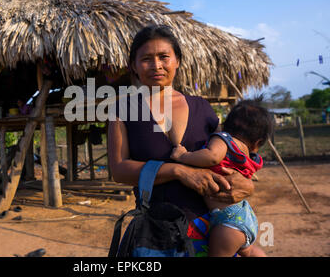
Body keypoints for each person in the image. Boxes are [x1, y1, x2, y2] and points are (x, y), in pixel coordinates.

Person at [108, 25, 255, 257]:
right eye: (146, 59)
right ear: (134, 66)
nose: (156, 65)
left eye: (164, 57)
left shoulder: (203, 108)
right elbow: (119, 170)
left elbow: (230, 156)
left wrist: (247, 185)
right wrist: (179, 171)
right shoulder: (123, 110)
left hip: (211, 234)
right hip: (155, 235)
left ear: (177, 60)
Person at [171, 100, 272, 256]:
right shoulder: (248, 157)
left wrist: (184, 156)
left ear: (225, 126)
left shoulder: (223, 139)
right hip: (244, 215)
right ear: (257, 143)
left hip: (227, 221)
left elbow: (212, 157)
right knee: (249, 251)